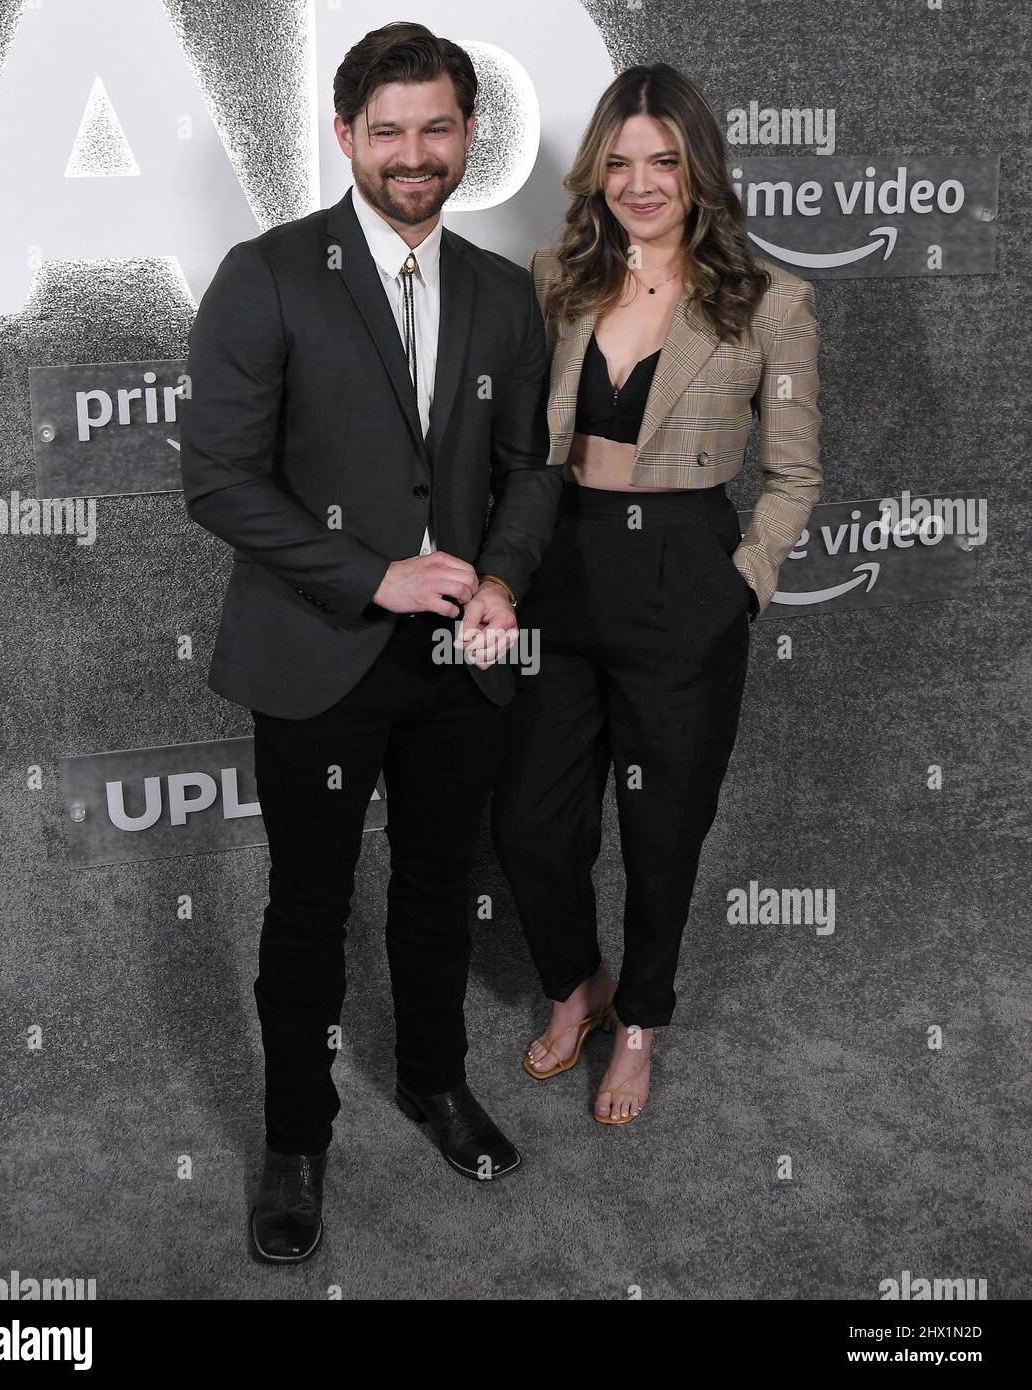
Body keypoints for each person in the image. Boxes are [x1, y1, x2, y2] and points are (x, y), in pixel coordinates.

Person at [178, 21, 561, 1262]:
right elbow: (219, 481)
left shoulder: (505, 294)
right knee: (307, 904)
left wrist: (499, 578)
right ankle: (296, 1140)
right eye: (386, 130)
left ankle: (437, 1082)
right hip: (317, 646)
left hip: (460, 658)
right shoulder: (268, 272)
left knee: (442, 889)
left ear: (467, 137)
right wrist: (371, 573)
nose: (412, 152)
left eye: (435, 127)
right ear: (342, 137)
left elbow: (527, 469)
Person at [491, 62, 821, 1124]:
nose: (639, 183)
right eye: (620, 161)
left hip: (686, 576)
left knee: (660, 830)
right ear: (597, 171)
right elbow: (511, 443)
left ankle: (636, 1020)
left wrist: (742, 585)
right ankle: (573, 982)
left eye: (662, 161)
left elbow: (794, 472)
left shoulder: (770, 300)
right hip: (561, 564)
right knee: (533, 824)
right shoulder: (551, 277)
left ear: (696, 170)